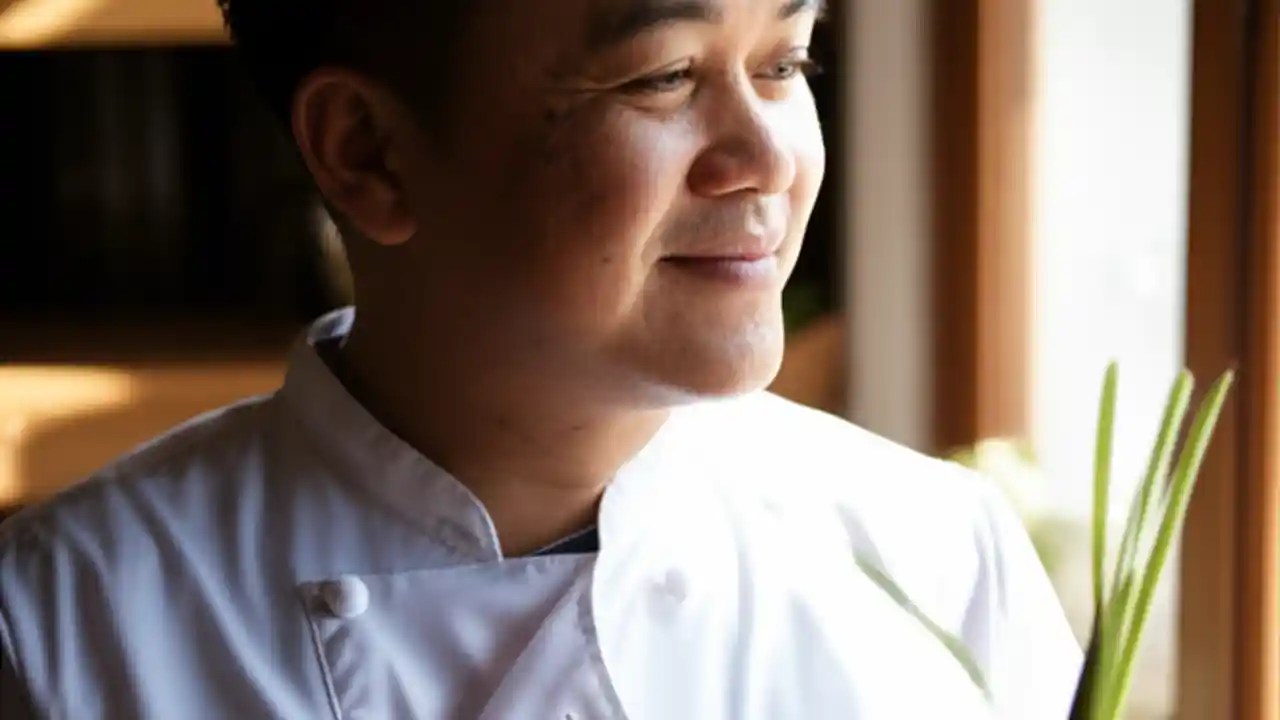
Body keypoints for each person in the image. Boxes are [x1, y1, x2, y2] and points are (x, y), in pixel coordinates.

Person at [0, 1, 1082, 717]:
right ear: (368, 151)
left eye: (784, 60)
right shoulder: (62, 630)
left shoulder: (937, 558)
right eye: (660, 78)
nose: (766, 158)